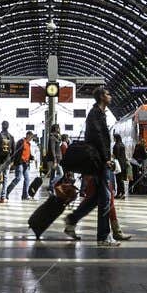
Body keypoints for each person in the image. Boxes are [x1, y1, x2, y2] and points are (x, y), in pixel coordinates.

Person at [63, 86, 120, 245]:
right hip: (99, 161)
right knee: (105, 198)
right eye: (108, 94)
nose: (111, 96)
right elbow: (98, 138)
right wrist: (105, 158)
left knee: (97, 197)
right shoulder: (95, 114)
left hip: (99, 159)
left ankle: (72, 219)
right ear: (102, 96)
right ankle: (102, 237)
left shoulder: (99, 114)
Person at [4, 129, 35, 199]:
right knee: (18, 178)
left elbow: (28, 153)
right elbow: (16, 152)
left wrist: (31, 157)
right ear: (27, 135)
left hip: (26, 164)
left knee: (27, 179)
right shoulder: (21, 142)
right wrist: (15, 162)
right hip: (20, 163)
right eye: (30, 137)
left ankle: (25, 195)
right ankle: (7, 192)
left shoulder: (29, 144)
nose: (31, 139)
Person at [0, 121, 15, 203]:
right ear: (8, 127)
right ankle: (3, 198)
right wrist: (11, 161)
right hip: (7, 162)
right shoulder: (11, 137)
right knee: (5, 179)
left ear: (1, 126)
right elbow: (14, 151)